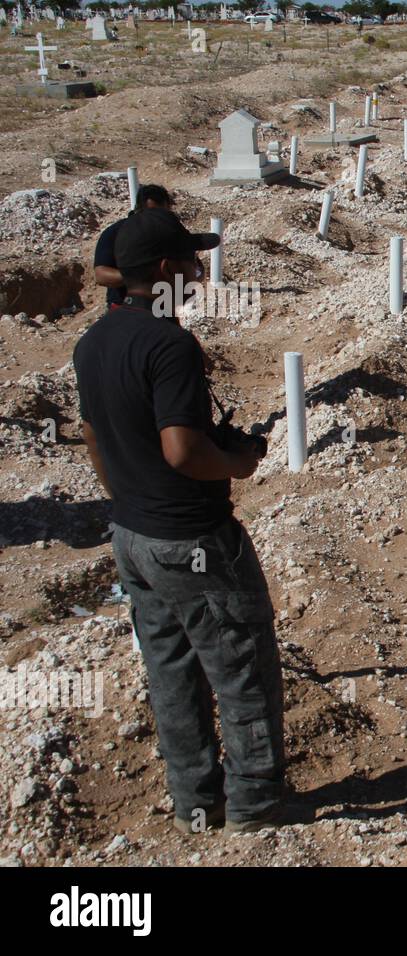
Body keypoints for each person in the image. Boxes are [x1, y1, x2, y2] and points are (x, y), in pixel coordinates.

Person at [72, 208, 285, 836]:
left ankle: (196, 804)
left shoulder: (93, 342)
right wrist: (238, 464)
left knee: (170, 670)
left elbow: (93, 436)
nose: (197, 273)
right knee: (241, 668)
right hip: (192, 540)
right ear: (165, 271)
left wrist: (133, 504)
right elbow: (182, 451)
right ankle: (256, 810)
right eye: (190, 263)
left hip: (132, 537)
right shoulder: (170, 345)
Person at [94, 184, 176, 307]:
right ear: (138, 210)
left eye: (161, 215)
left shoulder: (172, 233)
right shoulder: (116, 232)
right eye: (151, 214)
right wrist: (138, 275)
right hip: (125, 308)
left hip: (163, 307)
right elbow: (101, 275)